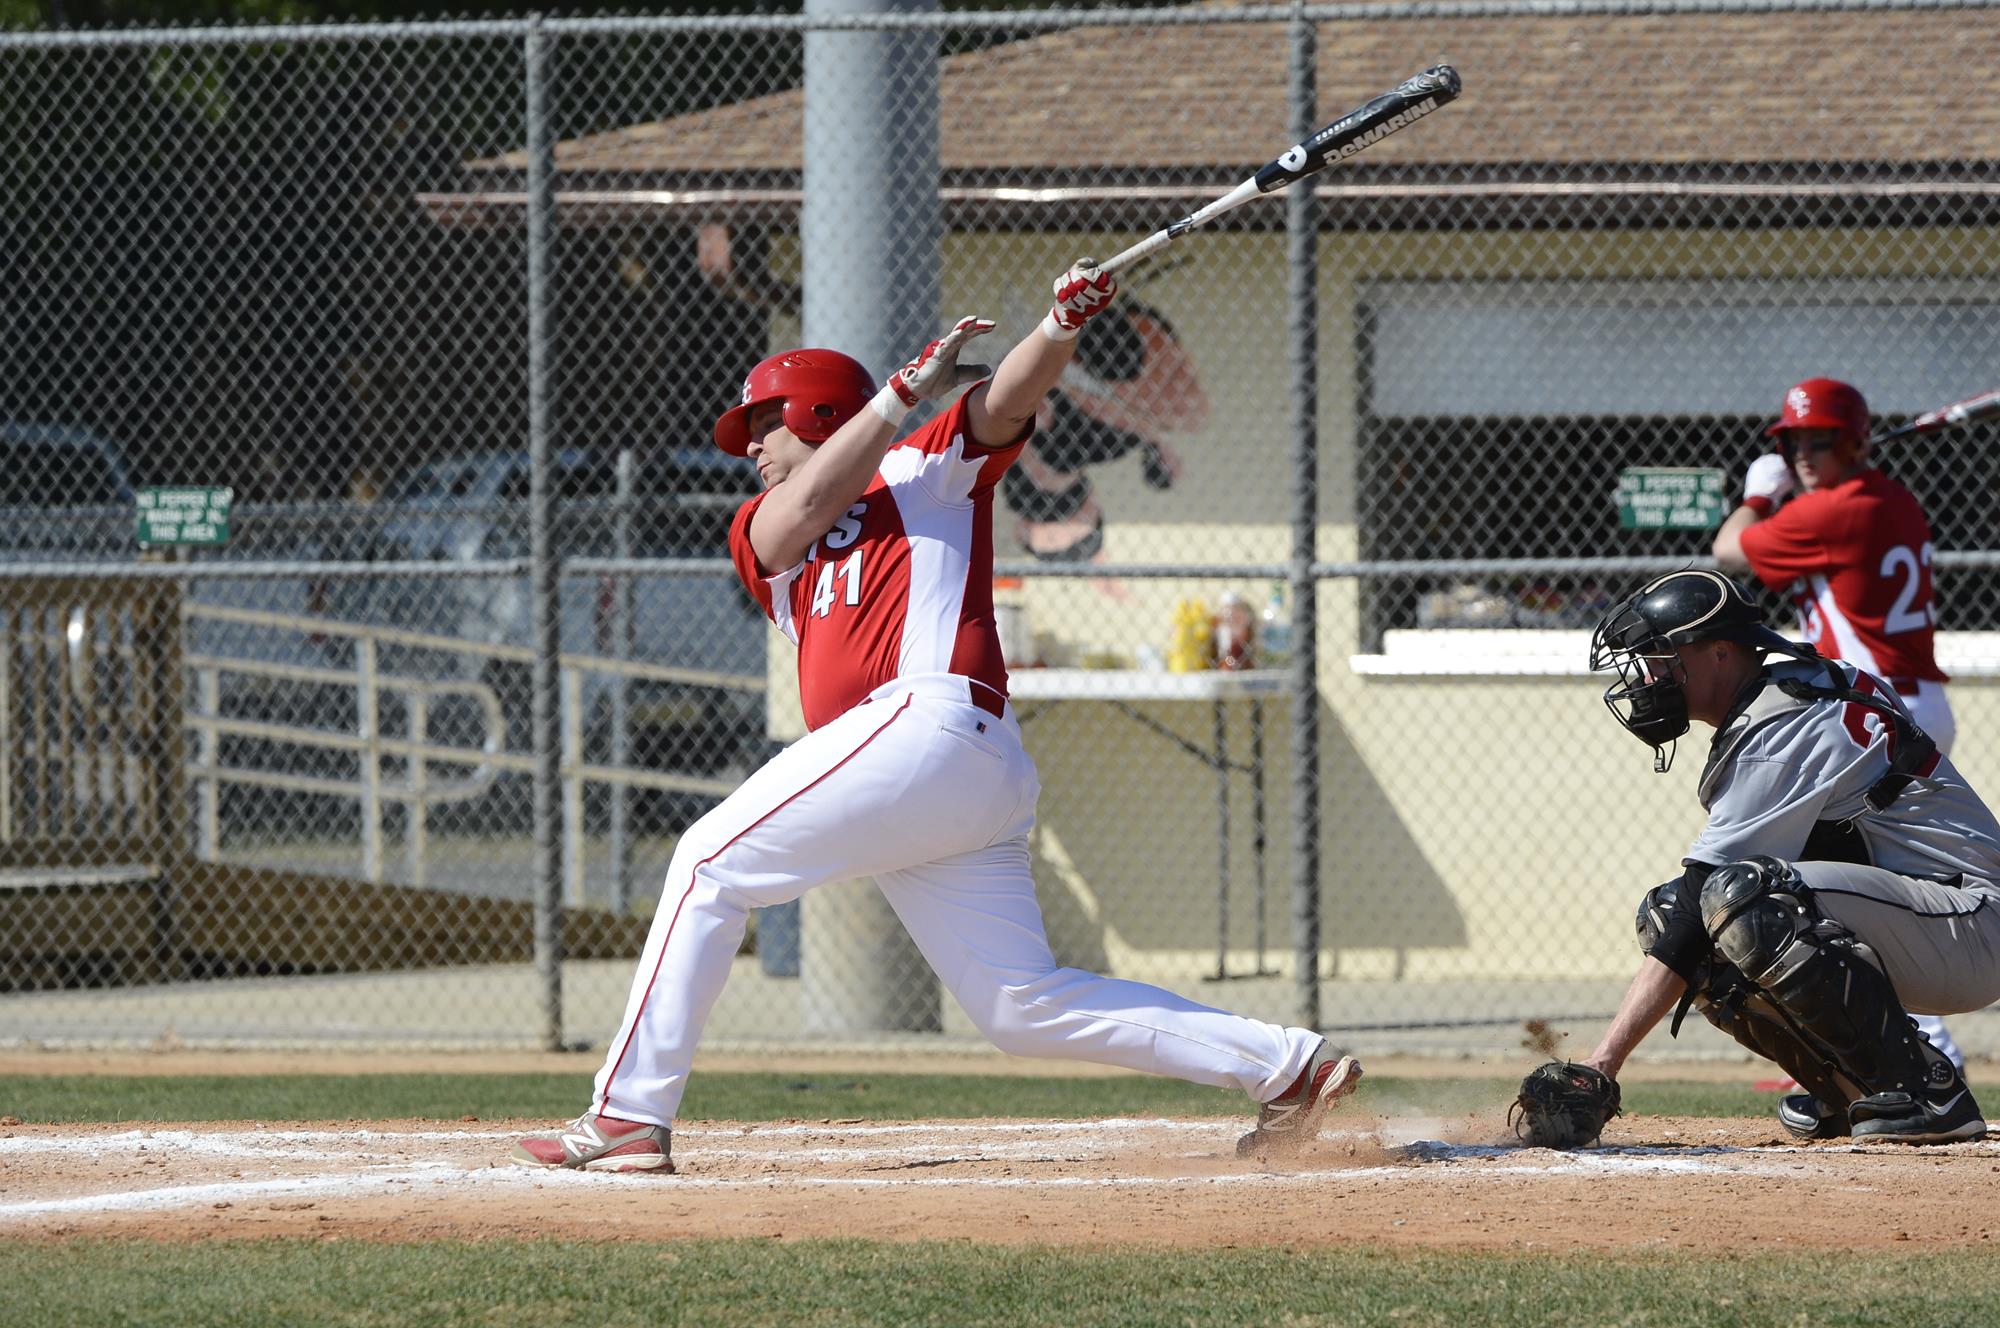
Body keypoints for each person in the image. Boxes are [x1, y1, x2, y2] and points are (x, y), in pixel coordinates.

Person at [510, 261, 1360, 1174]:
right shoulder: (764, 528)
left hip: (930, 724)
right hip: (935, 774)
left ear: (820, 415)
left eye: (766, 421)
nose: (750, 445)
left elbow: (1006, 396)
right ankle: (1287, 1067)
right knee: (1019, 1007)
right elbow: (798, 512)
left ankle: (629, 1115)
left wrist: (1061, 323)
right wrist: (901, 392)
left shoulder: (929, 467)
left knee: (707, 861)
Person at [1578, 569, 2000, 1143]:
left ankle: (1930, 1094)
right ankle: (1854, 1088)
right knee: (1691, 910)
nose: (1652, 677)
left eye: (1663, 658)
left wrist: (1602, 1064)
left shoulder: (1782, 726)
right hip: (1926, 916)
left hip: (1970, 922)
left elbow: (1696, 906)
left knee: (1738, 899)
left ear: (1720, 653)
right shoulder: (1802, 685)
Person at [1712, 376, 1966, 1072]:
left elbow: (1729, 550)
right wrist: (1805, 488)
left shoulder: (1836, 510)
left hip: (1877, 721)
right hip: (1901, 710)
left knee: (1843, 889)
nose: (1802, 451)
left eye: (1819, 439)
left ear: (1854, 441)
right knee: (1860, 885)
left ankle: (1922, 1058)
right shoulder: (1888, 498)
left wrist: (1759, 496)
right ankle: (1902, 1055)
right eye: (1792, 441)